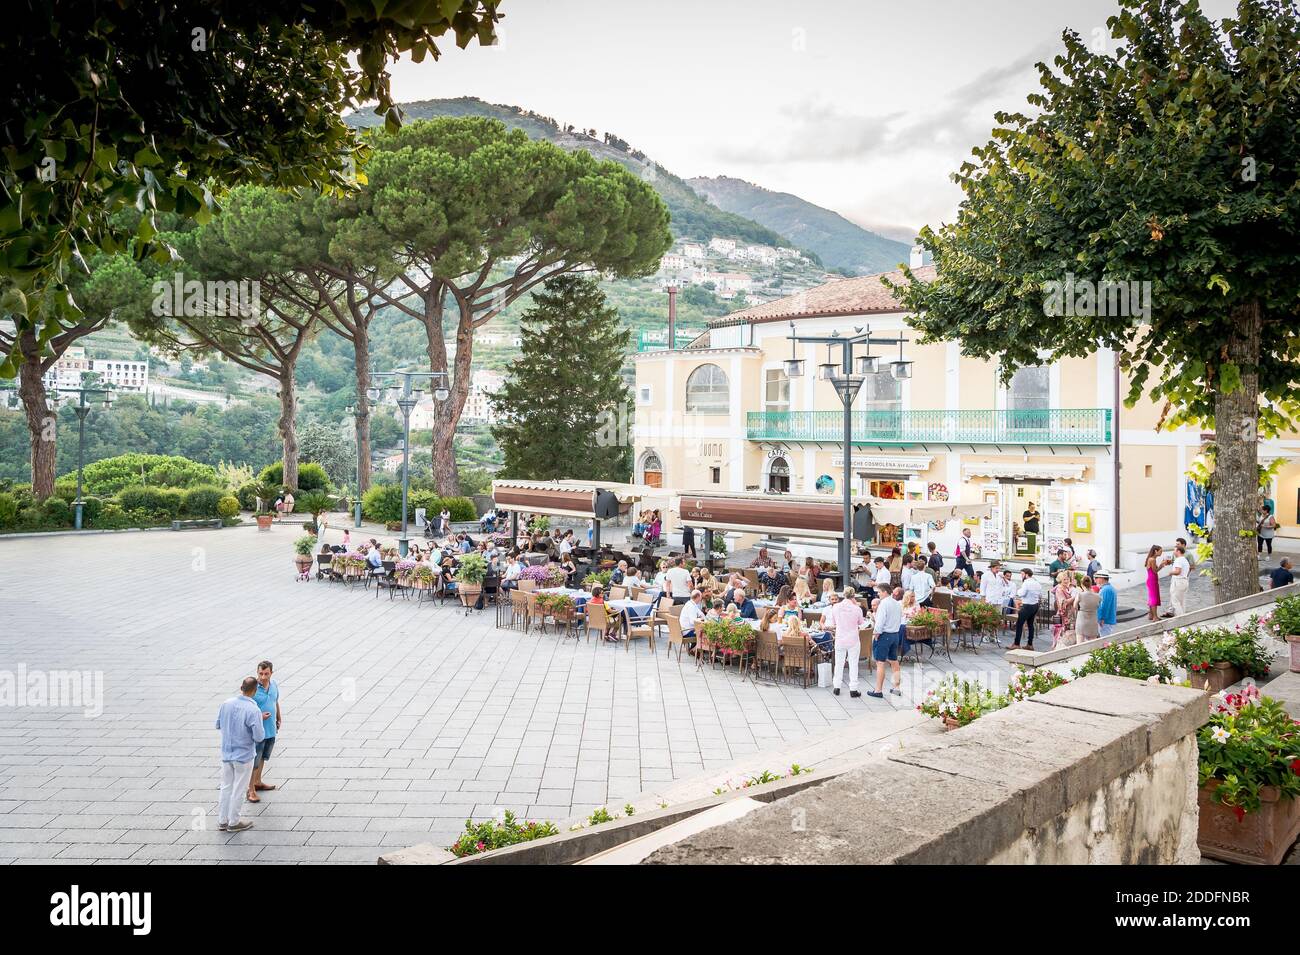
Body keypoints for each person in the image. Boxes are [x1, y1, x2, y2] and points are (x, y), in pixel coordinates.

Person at [215, 676, 265, 833]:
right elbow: (259, 737)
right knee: (239, 788)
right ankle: (234, 822)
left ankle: (222, 821)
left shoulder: (226, 704)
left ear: (241, 688)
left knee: (226, 787)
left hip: (226, 753)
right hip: (244, 756)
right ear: (255, 691)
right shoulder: (253, 709)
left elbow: (218, 724)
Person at [247, 661, 281, 803]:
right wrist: (259, 716)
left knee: (263, 758)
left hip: (271, 729)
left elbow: (275, 701)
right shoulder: (253, 688)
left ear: (271, 673)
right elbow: (246, 709)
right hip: (258, 731)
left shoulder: (274, 686)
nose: (263, 677)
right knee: (255, 760)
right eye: (260, 673)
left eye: (266, 674)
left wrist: (279, 717)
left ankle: (258, 782)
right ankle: (250, 790)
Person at [828, 588, 865, 698]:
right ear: (853, 596)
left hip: (840, 638)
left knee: (839, 663)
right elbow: (861, 623)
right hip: (853, 638)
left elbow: (834, 623)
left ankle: (837, 686)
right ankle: (853, 688)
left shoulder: (836, 607)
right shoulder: (857, 609)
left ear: (843, 595)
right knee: (853, 664)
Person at [867, 586, 904, 698]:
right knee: (894, 661)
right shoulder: (897, 603)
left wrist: (876, 633)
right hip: (895, 634)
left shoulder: (883, 604)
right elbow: (899, 618)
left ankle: (878, 690)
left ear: (885, 592)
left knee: (880, 662)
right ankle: (896, 688)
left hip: (884, 635)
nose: (878, 594)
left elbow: (880, 621)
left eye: (879, 592)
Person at [1012, 569, 1041, 649]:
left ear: (1026, 574)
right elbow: (1039, 593)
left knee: (1019, 624)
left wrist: (1018, 591)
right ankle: (1030, 644)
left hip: (1027, 605)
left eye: (1022, 574)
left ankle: (1016, 644)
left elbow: (1022, 593)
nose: (1021, 576)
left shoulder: (1026, 582)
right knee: (1030, 625)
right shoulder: (1036, 582)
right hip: (1035, 605)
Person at [1074, 578, 1101, 644]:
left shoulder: (1080, 595)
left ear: (1082, 584)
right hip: (1093, 620)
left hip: (1081, 619)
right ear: (1091, 584)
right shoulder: (1097, 596)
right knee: (1093, 645)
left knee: (1079, 644)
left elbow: (1074, 606)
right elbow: (1098, 606)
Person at [1167, 545, 1191, 617]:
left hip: (1178, 581)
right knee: (1182, 601)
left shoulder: (1178, 560)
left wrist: (1170, 573)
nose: (1173, 552)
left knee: (1175, 601)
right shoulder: (1185, 560)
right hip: (1184, 581)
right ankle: (1183, 616)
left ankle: (1180, 618)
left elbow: (1178, 571)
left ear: (1178, 551)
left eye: (1174, 550)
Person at [1144, 544, 1164, 621]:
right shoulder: (1152, 560)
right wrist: (1161, 565)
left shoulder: (1150, 559)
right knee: (1154, 598)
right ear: (1156, 551)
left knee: (1152, 597)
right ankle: (1155, 617)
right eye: (1160, 551)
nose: (1161, 553)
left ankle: (1151, 615)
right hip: (1152, 581)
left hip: (1152, 580)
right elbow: (1155, 571)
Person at [1096, 571, 1118, 637]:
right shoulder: (1108, 588)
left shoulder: (1106, 590)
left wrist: (1102, 618)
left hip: (1105, 621)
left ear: (1102, 578)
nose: (1095, 580)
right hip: (1107, 620)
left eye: (1097, 577)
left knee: (1104, 641)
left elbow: (1105, 606)